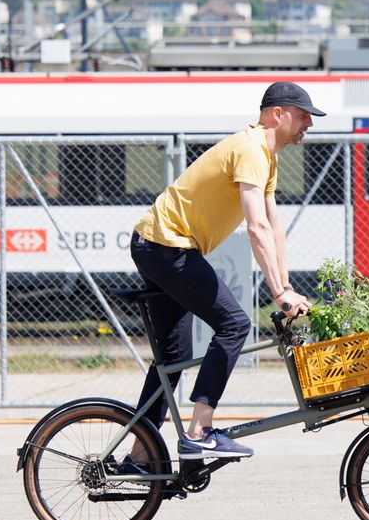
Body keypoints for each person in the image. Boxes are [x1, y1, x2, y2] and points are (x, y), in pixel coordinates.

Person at [126, 82, 320, 466]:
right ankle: (199, 432)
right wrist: (278, 292)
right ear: (276, 114)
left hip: (164, 245)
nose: (308, 124)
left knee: (173, 355)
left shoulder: (266, 155)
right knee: (234, 324)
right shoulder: (251, 150)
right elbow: (255, 228)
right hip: (166, 246)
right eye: (302, 116)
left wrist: (287, 287)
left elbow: (274, 225)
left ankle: (139, 455)